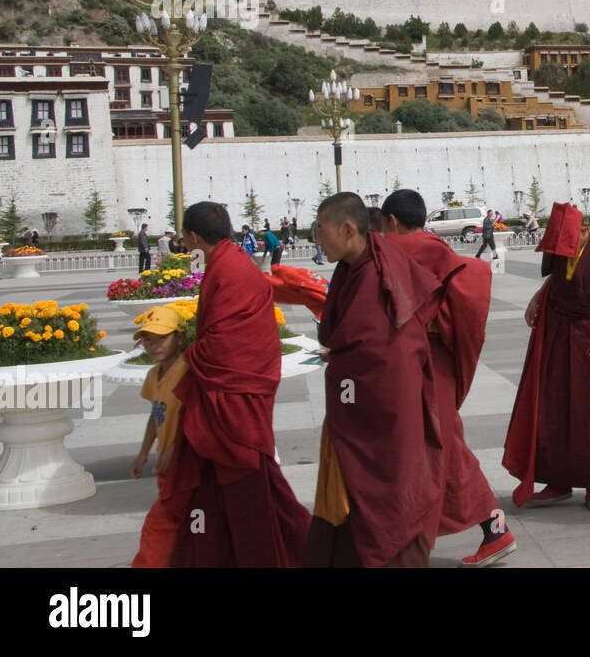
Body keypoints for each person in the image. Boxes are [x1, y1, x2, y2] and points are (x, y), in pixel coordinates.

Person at [164, 202, 312, 566]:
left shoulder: (229, 270)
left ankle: (300, 553)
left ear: (195, 237)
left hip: (234, 404)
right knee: (222, 497)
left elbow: (226, 346)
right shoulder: (228, 262)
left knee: (252, 499)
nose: (184, 245)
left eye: (184, 239)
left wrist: (186, 359)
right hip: (226, 400)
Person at [306, 192, 444, 568]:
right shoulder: (358, 265)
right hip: (374, 405)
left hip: (385, 413)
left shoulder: (374, 272)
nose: (318, 240)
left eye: (322, 231)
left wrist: (343, 364)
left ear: (348, 229)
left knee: (387, 500)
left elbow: (383, 351)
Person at [382, 189, 516, 567]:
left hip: (422, 362)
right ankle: (472, 530)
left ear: (392, 222)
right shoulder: (431, 243)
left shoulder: (408, 248)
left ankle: (492, 527)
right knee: (440, 443)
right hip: (427, 360)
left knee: (441, 446)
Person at [504, 203, 590, 513]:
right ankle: (557, 481)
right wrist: (537, 298)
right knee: (554, 406)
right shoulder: (559, 246)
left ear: (585, 231)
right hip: (559, 332)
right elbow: (559, 278)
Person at [129, 305, 190, 568]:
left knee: (158, 527)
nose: (153, 346)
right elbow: (156, 415)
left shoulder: (188, 369)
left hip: (185, 463)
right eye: (147, 340)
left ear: (179, 336)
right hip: (166, 468)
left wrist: (172, 450)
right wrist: (143, 453)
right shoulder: (153, 375)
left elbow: (195, 417)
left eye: (160, 338)